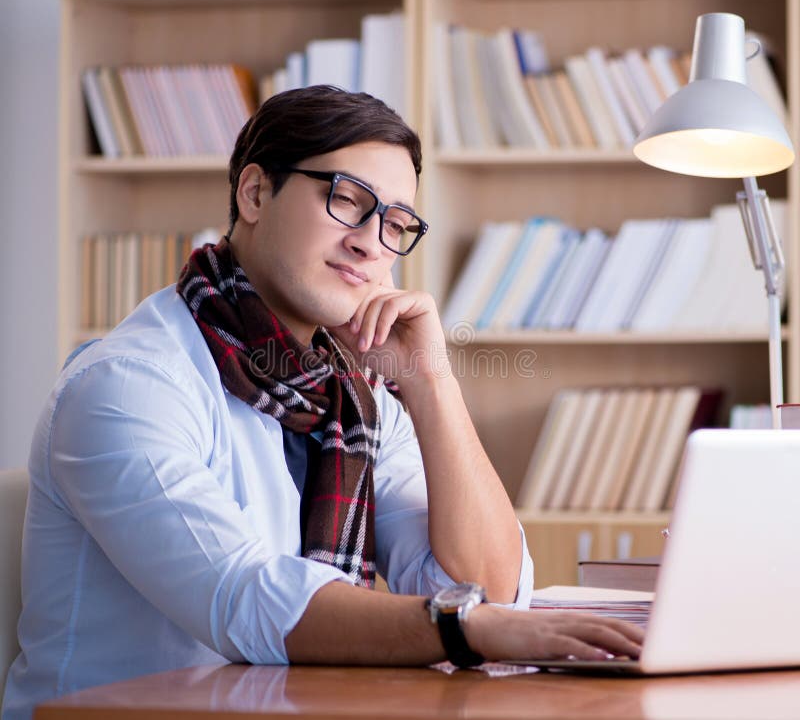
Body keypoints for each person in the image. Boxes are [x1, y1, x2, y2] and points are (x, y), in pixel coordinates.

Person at [2, 85, 642, 720]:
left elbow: (485, 590)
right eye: (347, 200)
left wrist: (431, 383)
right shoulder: (126, 384)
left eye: (395, 223)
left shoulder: (354, 396)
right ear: (255, 193)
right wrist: (466, 627)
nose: (371, 244)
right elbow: (243, 599)